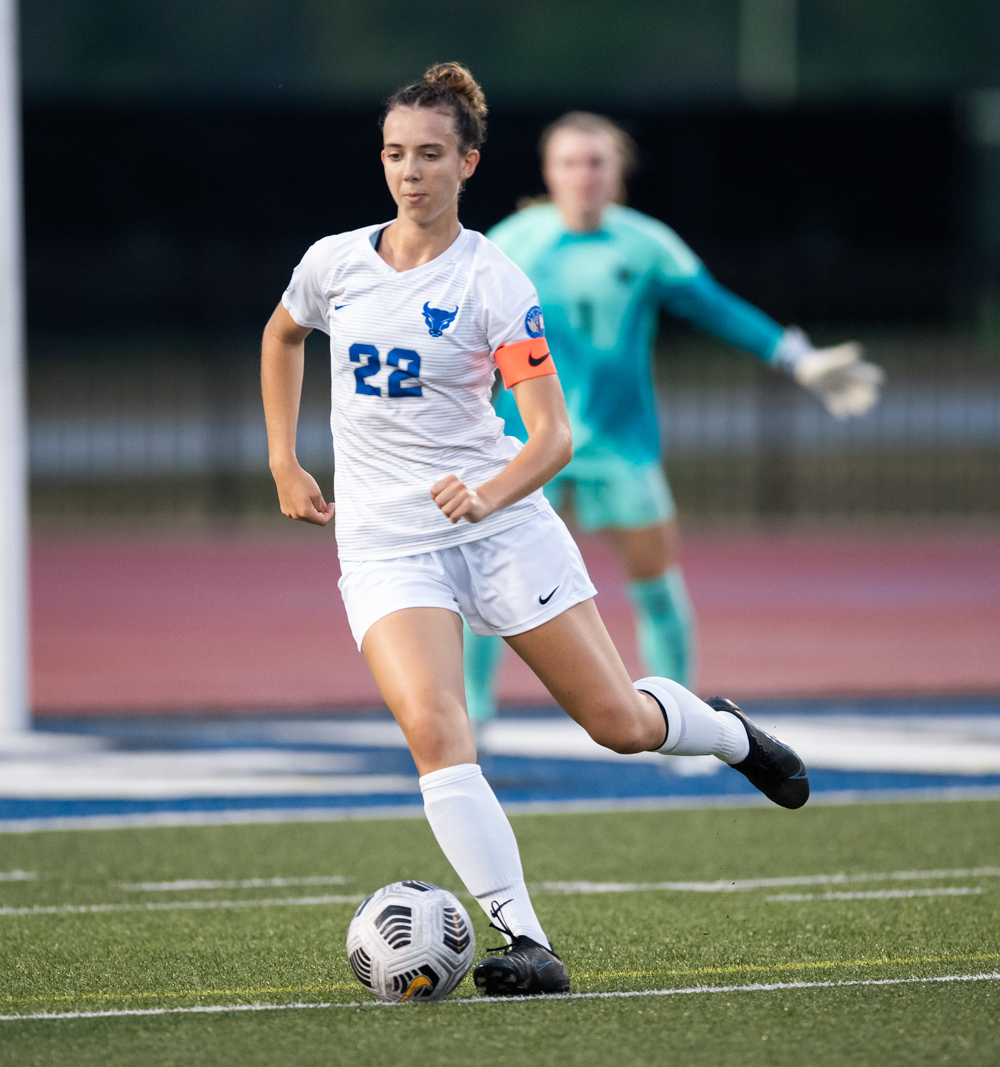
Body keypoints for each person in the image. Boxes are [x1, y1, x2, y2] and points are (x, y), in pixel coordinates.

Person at [261, 63, 809, 998]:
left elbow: (553, 435)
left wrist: (485, 494)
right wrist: (283, 458)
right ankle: (527, 940)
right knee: (437, 729)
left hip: (502, 529)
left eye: (430, 155)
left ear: (469, 162)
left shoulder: (494, 279)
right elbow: (282, 337)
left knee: (619, 723)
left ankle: (722, 732)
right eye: (395, 153)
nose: (409, 172)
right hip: (386, 544)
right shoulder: (333, 262)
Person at [463, 112, 885, 724]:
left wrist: (800, 359)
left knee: (654, 580)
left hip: (621, 444)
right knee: (492, 586)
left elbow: (713, 307)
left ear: (616, 172)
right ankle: (473, 722)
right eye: (571, 162)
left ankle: (684, 721)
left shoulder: (646, 243)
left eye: (596, 162)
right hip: (525, 445)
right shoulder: (510, 243)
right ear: (549, 172)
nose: (584, 175)